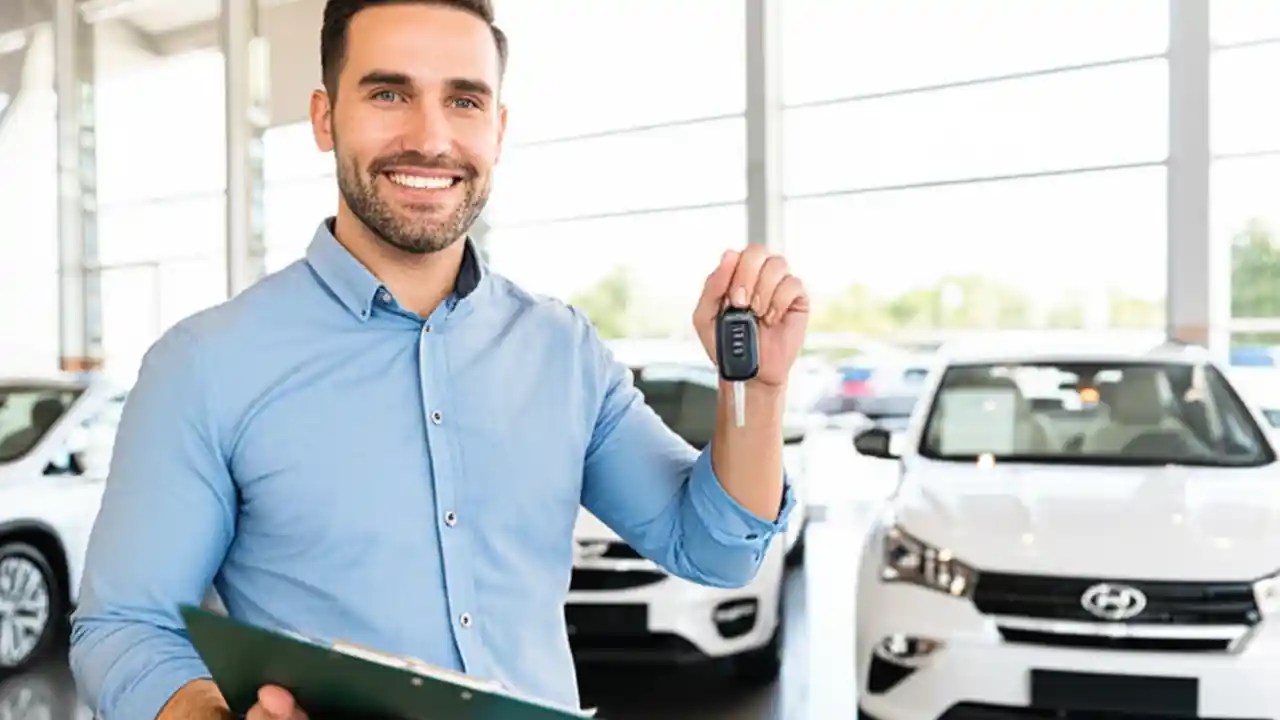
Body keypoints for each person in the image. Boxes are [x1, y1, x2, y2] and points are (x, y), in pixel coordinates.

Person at [68, 1, 810, 718]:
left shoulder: (563, 349)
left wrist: (760, 389)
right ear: (325, 118)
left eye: (464, 101)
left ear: (498, 126)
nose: (431, 138)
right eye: (389, 93)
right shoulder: (204, 365)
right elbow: (124, 627)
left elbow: (713, 548)